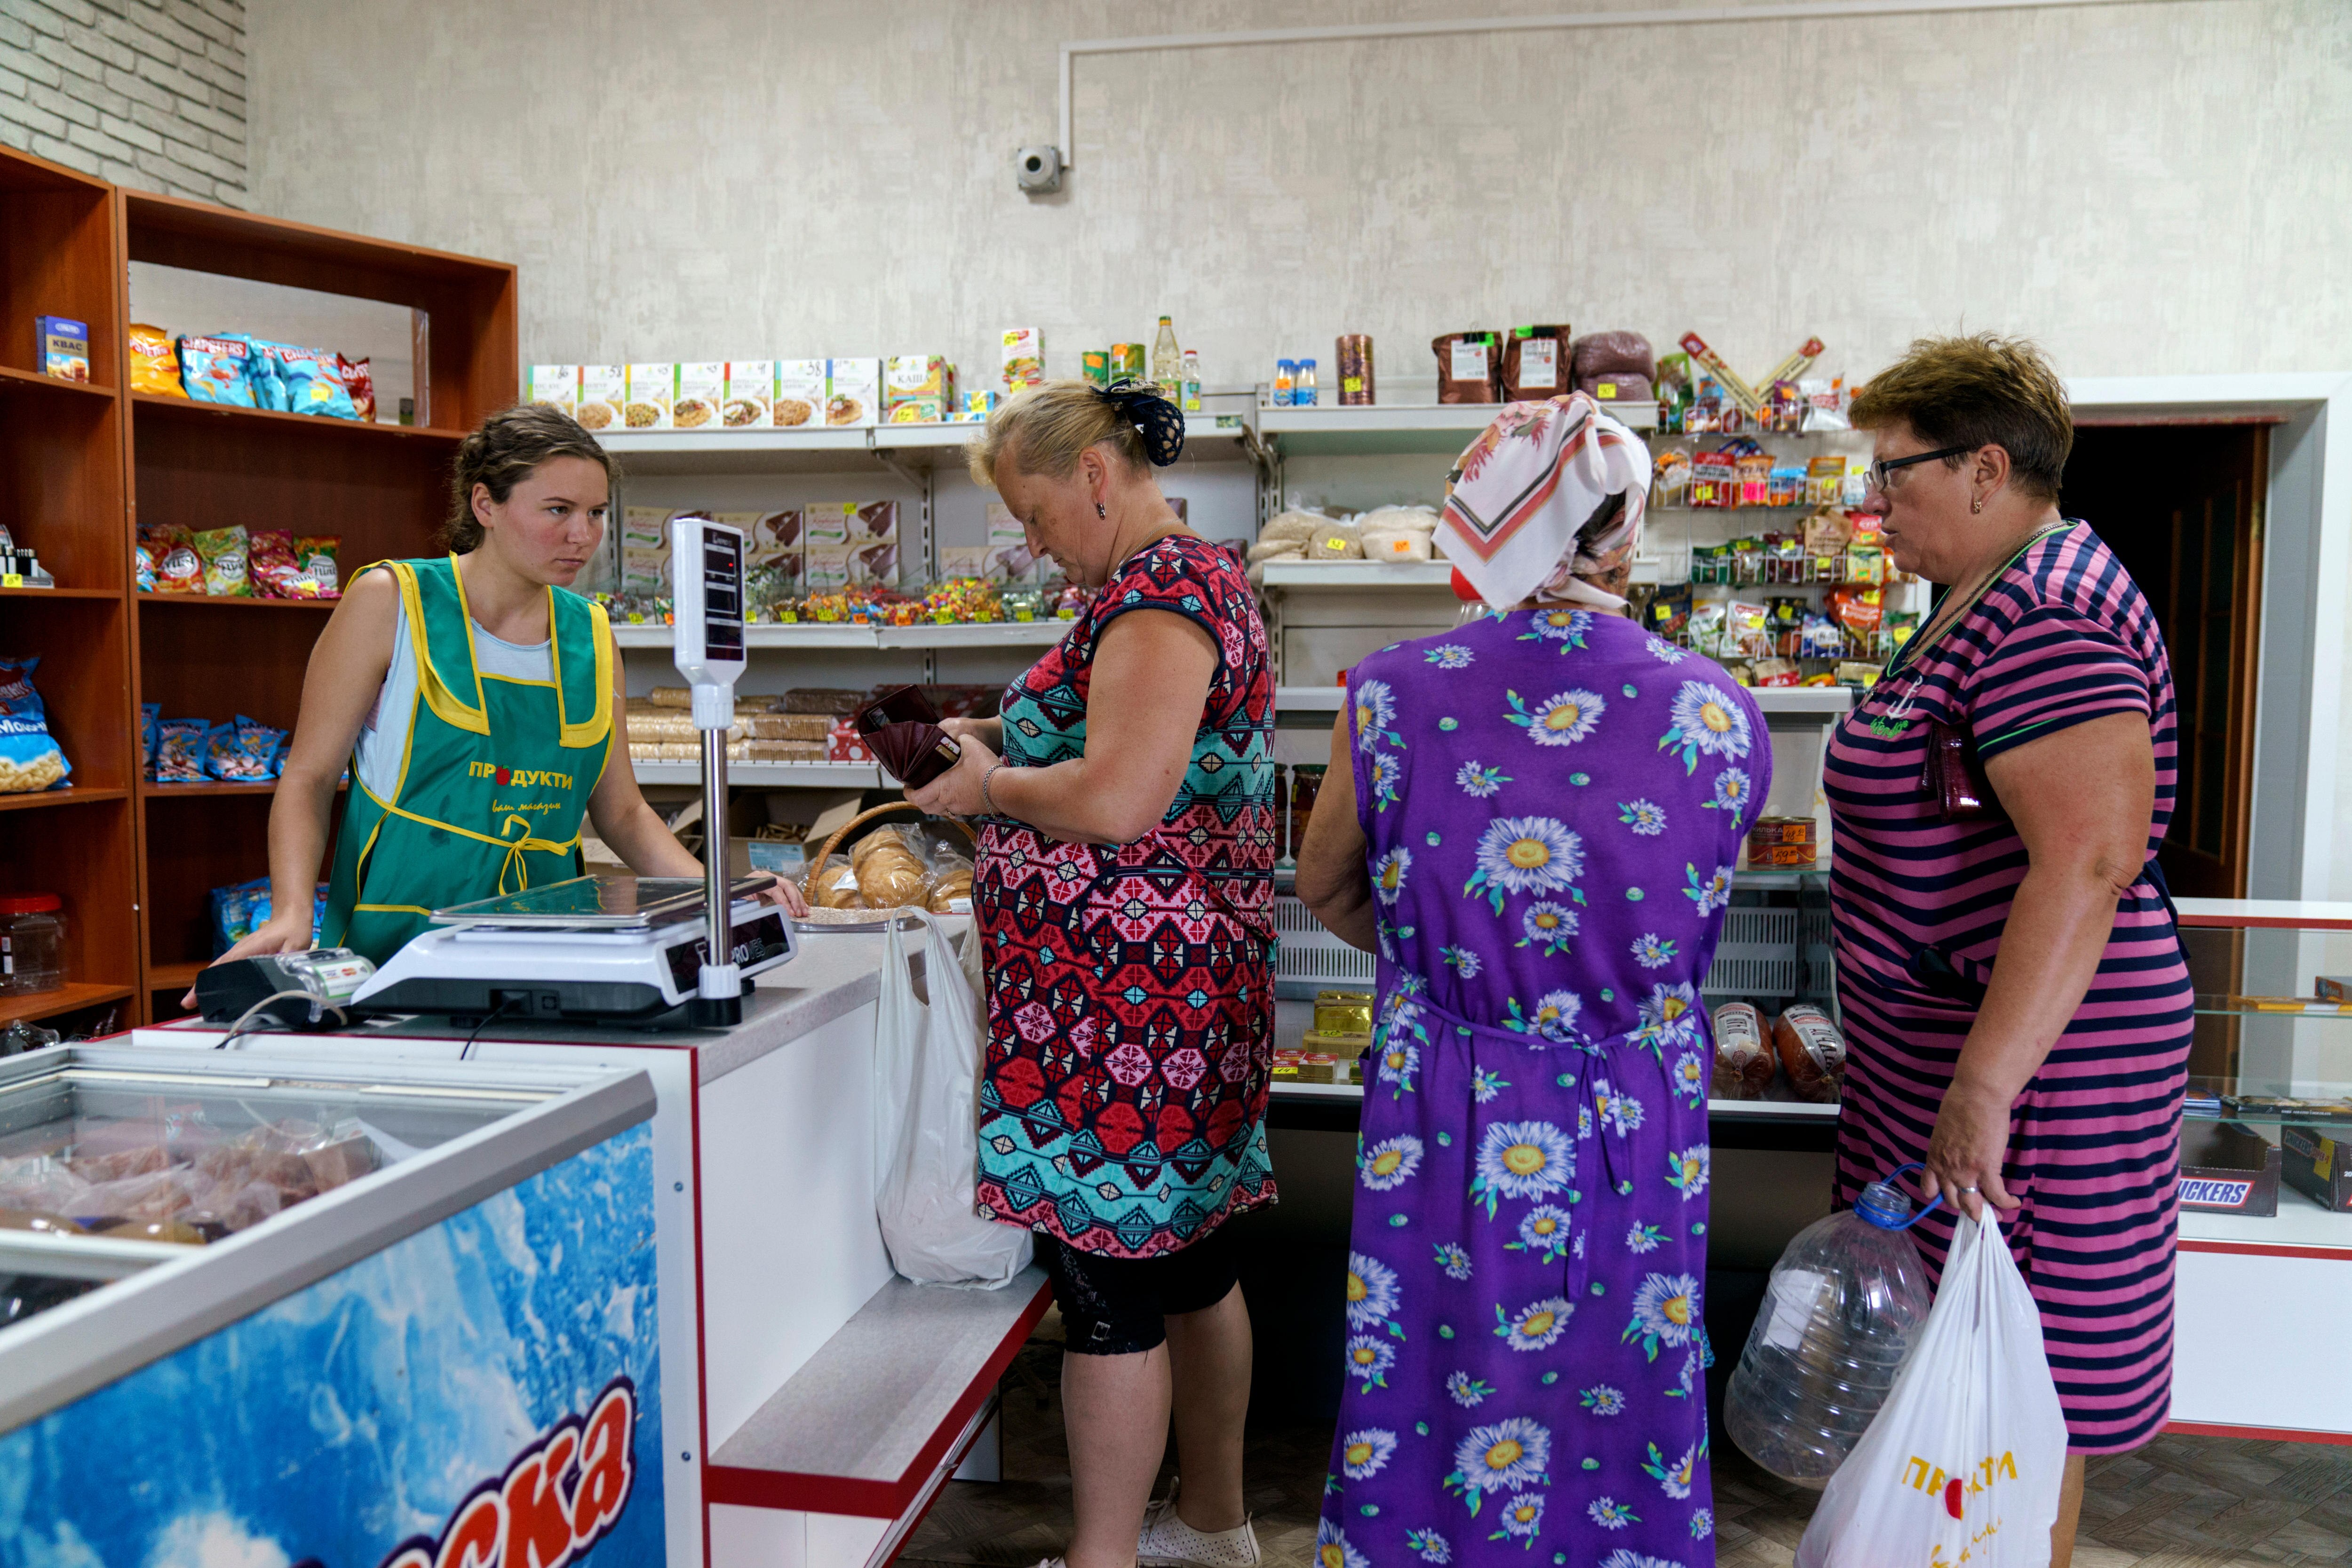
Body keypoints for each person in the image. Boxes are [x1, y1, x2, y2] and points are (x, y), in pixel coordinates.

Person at [1294, 392, 1765, 1568]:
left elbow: (1326, 883)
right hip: (1635, 1108)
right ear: (1626, 535)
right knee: (1622, 1375)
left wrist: (1444, 965)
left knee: (1433, 1371)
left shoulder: (1391, 693)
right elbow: (1699, 896)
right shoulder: (1719, 708)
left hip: (1448, 1097)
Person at [1826, 335, 2192, 1568]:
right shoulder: (1983, 598)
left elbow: (2088, 857)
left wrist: (1984, 1088)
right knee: (1958, 1369)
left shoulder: (2049, 611)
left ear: (1985, 468)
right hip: (1958, 1045)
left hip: (2038, 1074)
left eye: (1894, 472)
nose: (1876, 502)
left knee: (2021, 1376)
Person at [905, 380, 1278, 1568]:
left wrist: (986, 788)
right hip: (1175, 999)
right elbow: (1126, 749)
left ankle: (1102, 1557)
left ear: (1097, 476)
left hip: (1119, 1014)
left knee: (1108, 1289)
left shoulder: (1161, 593)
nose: (1032, 541)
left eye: (1033, 513)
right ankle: (1211, 1521)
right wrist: (1002, 745)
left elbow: (1120, 796)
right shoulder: (1182, 583)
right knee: (1194, 1264)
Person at [203, 402, 802, 988]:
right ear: (485, 504)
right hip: (399, 945)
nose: (582, 536)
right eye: (558, 510)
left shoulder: (592, 634)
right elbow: (309, 777)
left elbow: (622, 813)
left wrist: (721, 893)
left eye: (595, 513)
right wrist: (290, 911)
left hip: (547, 946)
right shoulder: (392, 602)